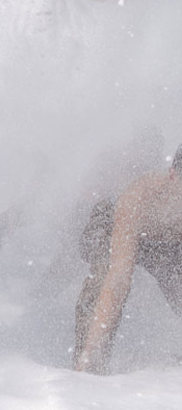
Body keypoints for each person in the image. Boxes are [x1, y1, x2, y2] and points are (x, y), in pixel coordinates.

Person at [74, 145, 182, 374]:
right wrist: (91, 350)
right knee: (105, 279)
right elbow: (118, 280)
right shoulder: (140, 197)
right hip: (113, 225)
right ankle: (87, 367)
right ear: (173, 177)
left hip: (166, 245)